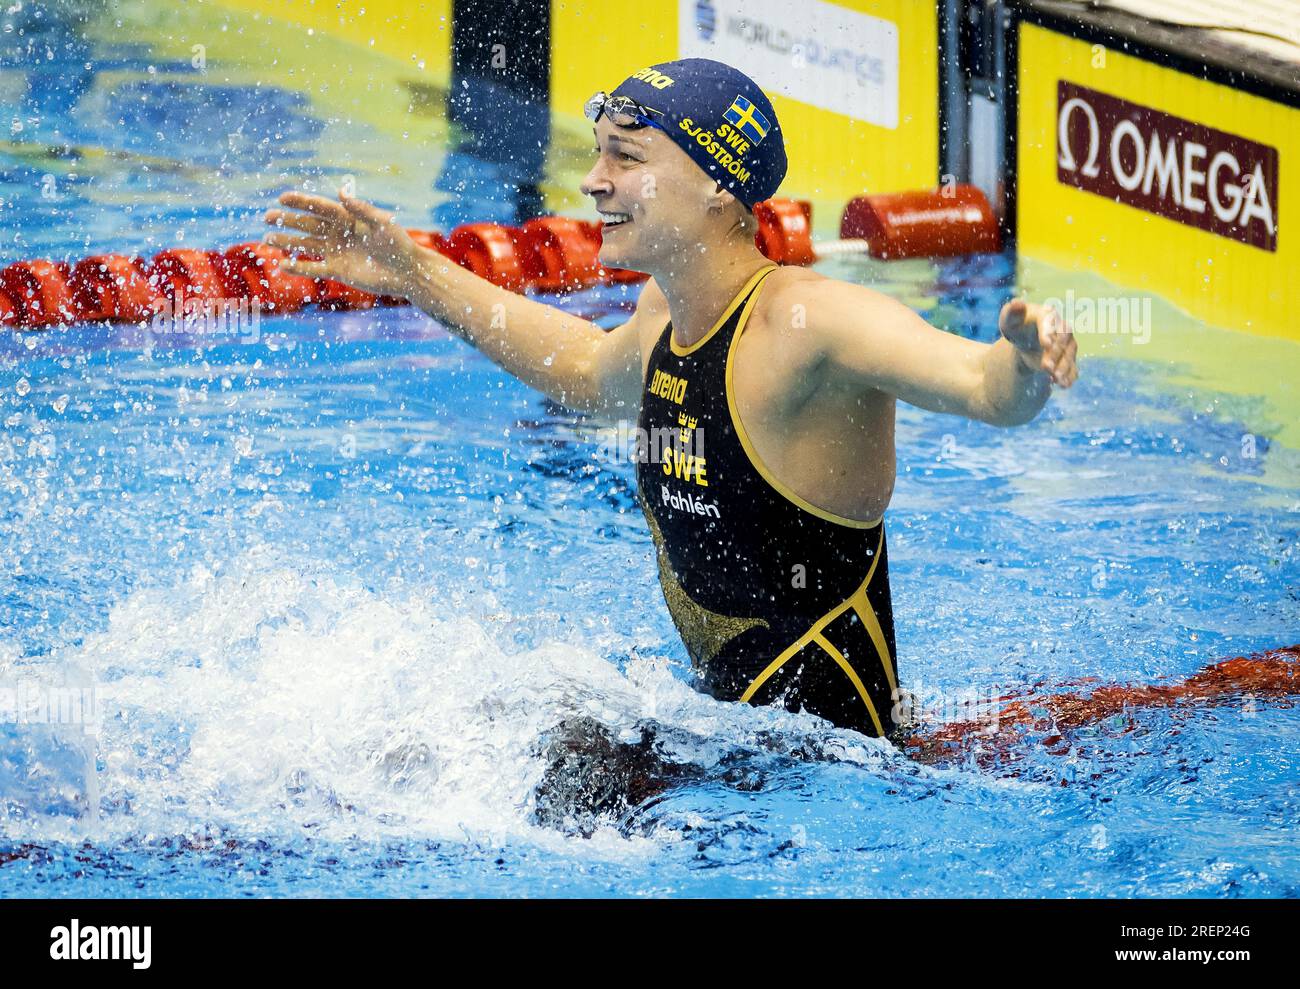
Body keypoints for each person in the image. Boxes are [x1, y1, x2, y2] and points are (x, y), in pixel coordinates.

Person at [263, 57, 1078, 742]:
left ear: (720, 184)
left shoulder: (809, 323)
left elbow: (982, 387)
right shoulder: (666, 313)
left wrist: (1025, 360)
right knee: (481, 724)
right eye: (598, 154)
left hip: (833, 782)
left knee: (551, 753)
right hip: (733, 748)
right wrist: (413, 272)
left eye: (626, 157)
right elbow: (580, 368)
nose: (592, 180)